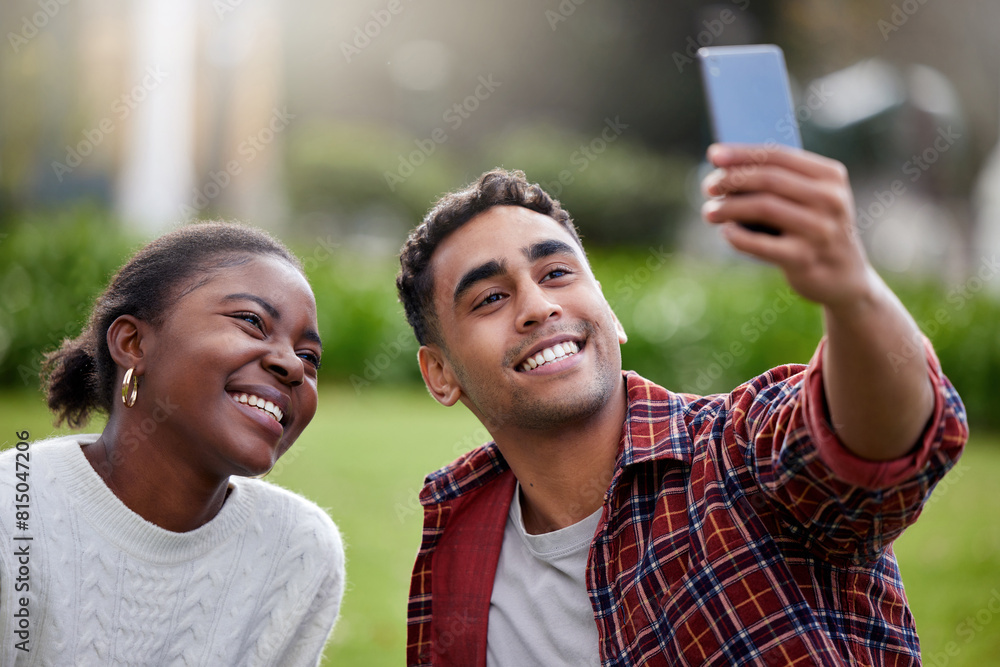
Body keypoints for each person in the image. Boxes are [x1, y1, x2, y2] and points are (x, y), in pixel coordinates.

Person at [395, 144, 968, 666]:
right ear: (441, 374)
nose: (539, 306)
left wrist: (853, 291)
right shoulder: (455, 544)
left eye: (558, 272)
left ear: (611, 316)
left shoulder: (739, 451)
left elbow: (878, 443)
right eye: (491, 297)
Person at [0, 222, 345, 665]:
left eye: (309, 357)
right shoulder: (14, 515)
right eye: (252, 322)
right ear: (133, 342)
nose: (292, 366)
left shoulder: (298, 549)